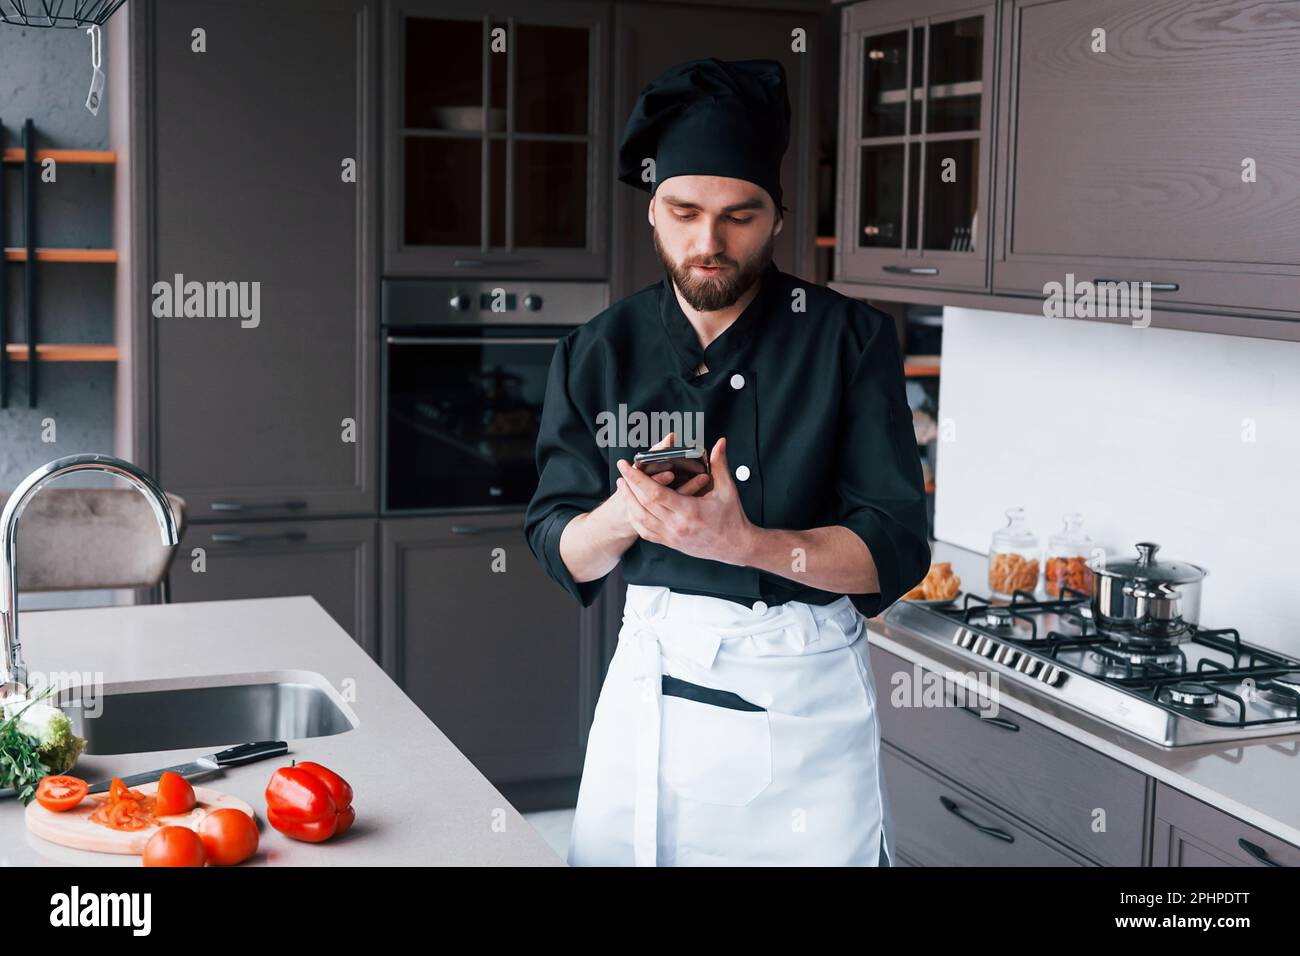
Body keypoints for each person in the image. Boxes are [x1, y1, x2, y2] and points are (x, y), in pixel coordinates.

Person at [524, 57, 930, 866]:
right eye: (683, 212)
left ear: (778, 217)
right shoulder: (596, 351)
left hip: (801, 687)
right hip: (653, 682)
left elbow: (894, 546)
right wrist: (626, 515)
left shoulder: (849, 340)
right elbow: (555, 539)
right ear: (652, 213)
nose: (708, 244)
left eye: (740, 216)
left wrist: (746, 545)